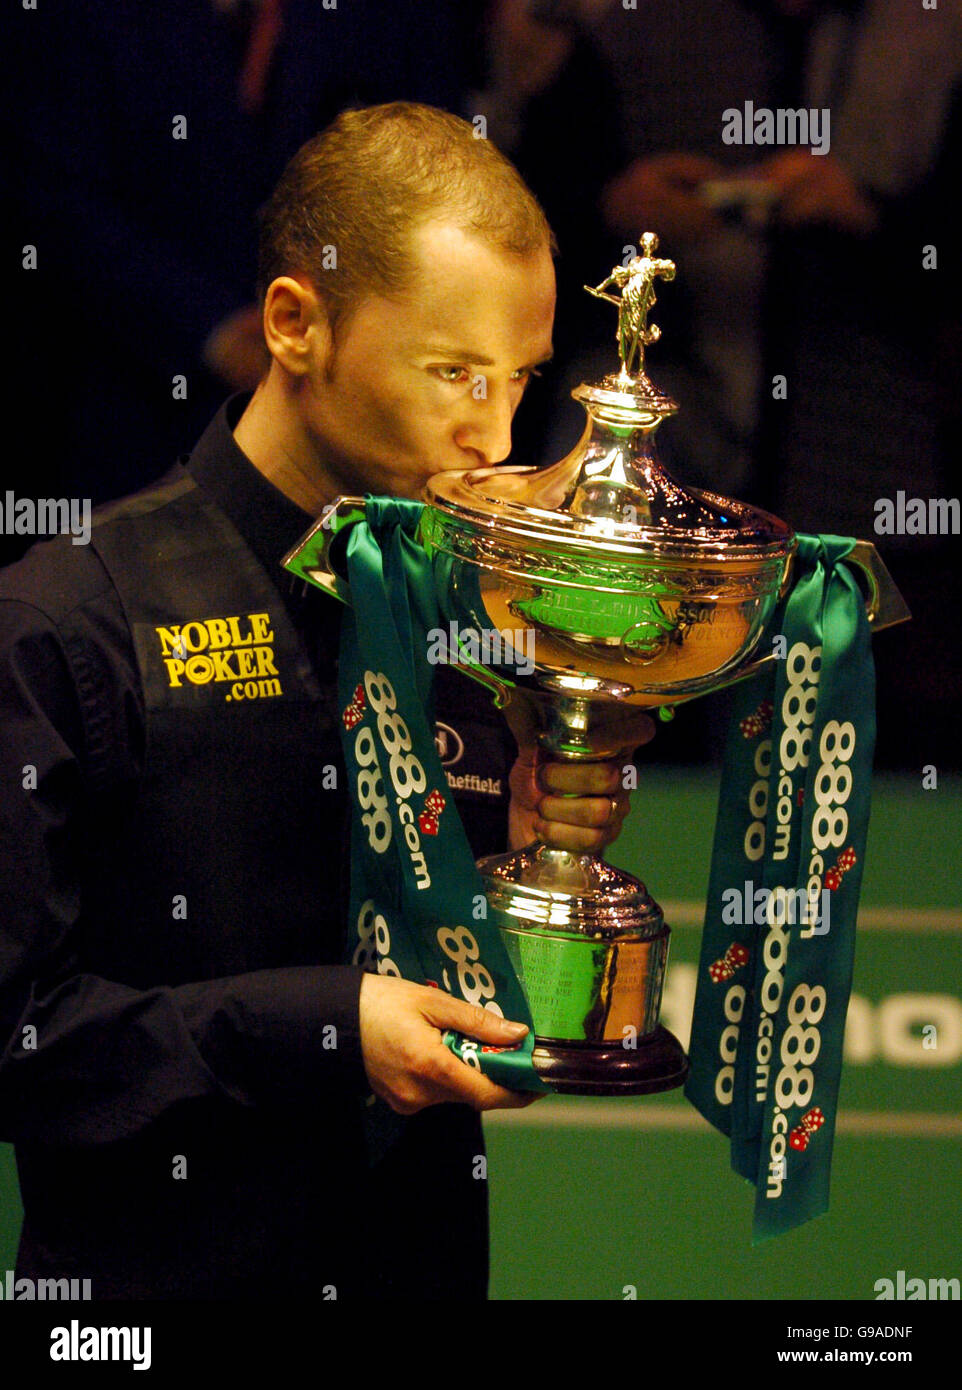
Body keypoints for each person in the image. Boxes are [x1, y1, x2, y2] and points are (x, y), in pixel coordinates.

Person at [0, 103, 653, 1300]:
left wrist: (534, 865)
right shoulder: (65, 614)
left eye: (518, 378)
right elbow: (15, 1036)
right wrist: (326, 1025)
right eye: (452, 372)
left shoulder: (484, 619)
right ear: (295, 324)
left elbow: (467, 987)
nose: (494, 435)